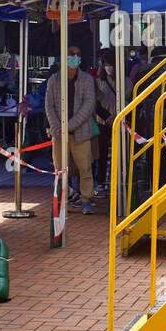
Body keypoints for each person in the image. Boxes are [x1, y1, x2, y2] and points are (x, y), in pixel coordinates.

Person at [45, 43, 97, 214]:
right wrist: (56, 126)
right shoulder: (54, 80)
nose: (75, 57)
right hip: (59, 134)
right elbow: (49, 105)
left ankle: (86, 199)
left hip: (80, 133)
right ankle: (63, 198)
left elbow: (88, 105)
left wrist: (69, 125)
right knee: (60, 169)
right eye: (71, 54)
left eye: (77, 54)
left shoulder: (87, 79)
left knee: (85, 168)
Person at [89, 48, 118, 198]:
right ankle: (100, 182)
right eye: (106, 63)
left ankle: (116, 181)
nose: (108, 67)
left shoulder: (125, 81)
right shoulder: (97, 82)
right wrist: (107, 117)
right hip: (102, 122)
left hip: (119, 123)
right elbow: (96, 102)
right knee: (99, 153)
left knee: (119, 154)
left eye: (110, 63)